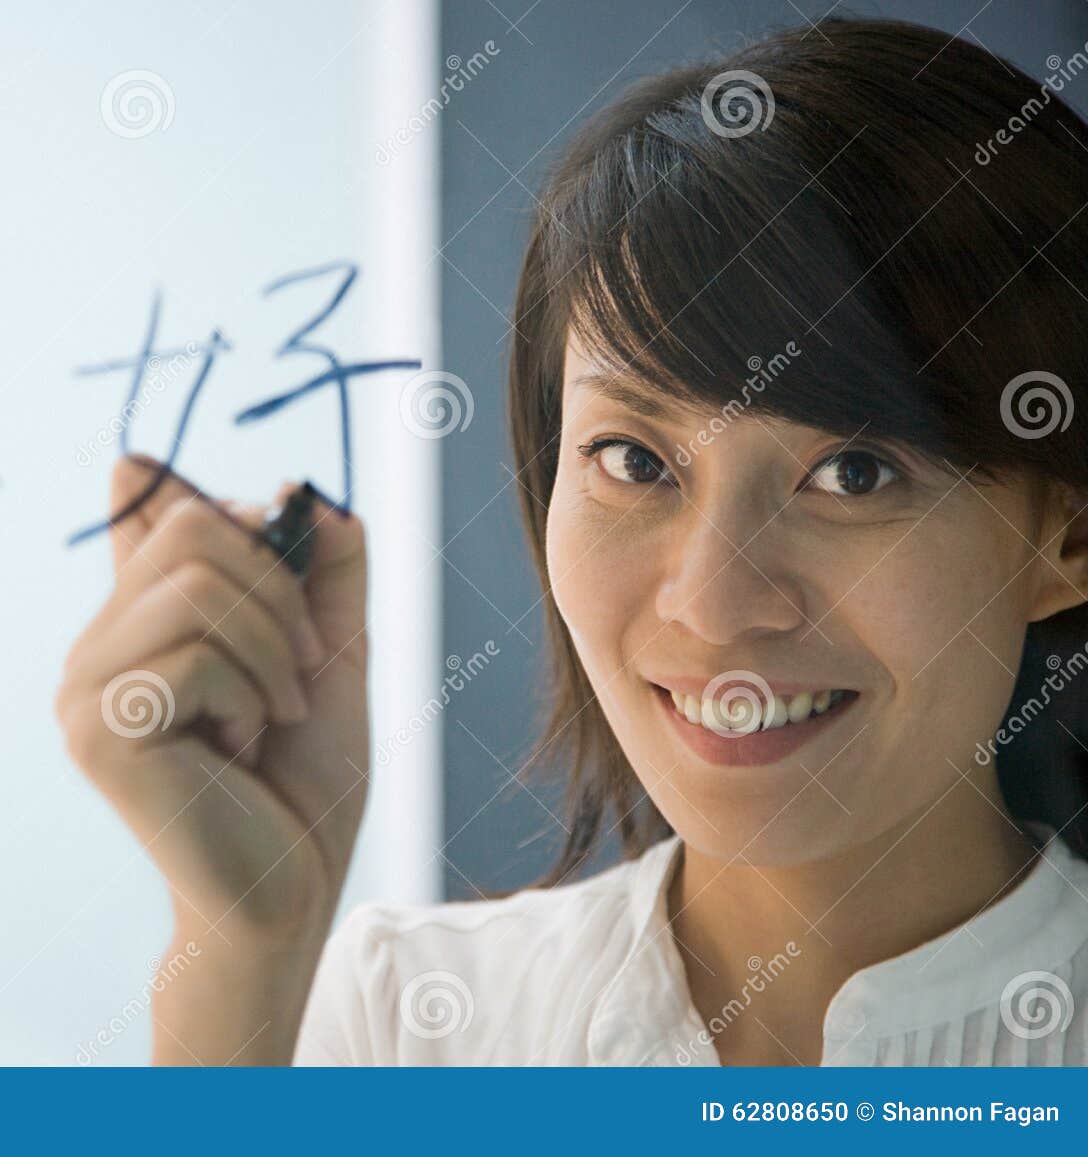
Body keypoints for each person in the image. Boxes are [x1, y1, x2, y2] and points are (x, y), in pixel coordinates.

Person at [54, 16, 1088, 1066]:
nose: (710, 601)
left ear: (1068, 532)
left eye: (852, 472)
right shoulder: (401, 1018)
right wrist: (241, 951)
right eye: (635, 461)